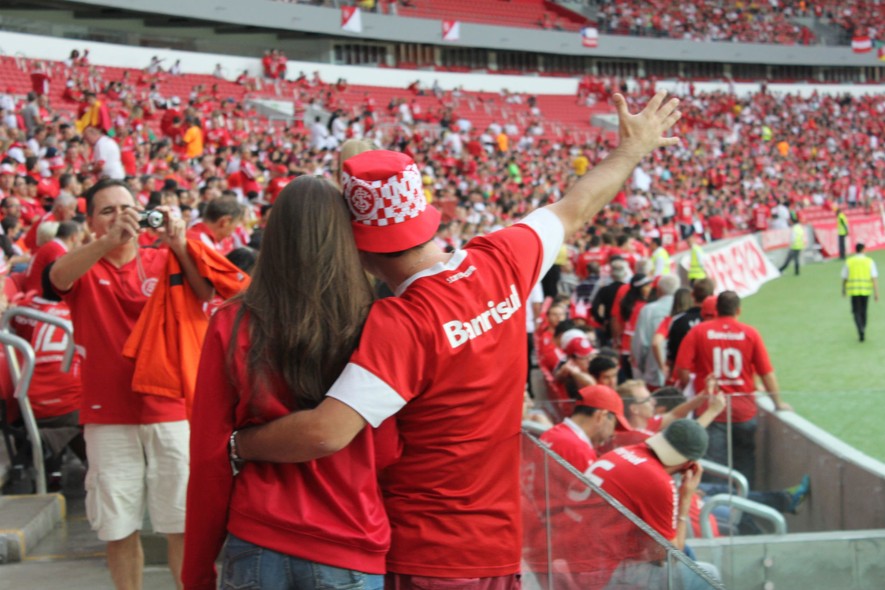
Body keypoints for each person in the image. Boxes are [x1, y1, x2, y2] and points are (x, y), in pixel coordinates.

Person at [235, 91, 682, 587]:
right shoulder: (502, 257)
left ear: (358, 249)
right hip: (500, 547)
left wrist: (239, 443)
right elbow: (577, 207)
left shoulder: (401, 323)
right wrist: (631, 149)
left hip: (428, 556)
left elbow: (325, 432)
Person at [182, 176, 390, 590]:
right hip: (349, 539)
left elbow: (209, 456)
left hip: (257, 537)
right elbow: (388, 450)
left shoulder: (232, 322)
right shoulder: (378, 322)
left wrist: (196, 571)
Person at [48, 178, 214, 590]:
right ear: (90, 223)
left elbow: (205, 290)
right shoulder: (87, 265)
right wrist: (106, 242)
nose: (121, 217)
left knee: (181, 525)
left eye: (128, 208)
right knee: (118, 528)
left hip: (171, 408)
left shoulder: (164, 259)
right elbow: (56, 278)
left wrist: (177, 242)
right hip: (109, 416)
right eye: (108, 211)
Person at [674, 291, 792, 488]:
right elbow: (766, 373)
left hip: (711, 412)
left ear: (717, 309)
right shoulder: (750, 333)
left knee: (714, 469)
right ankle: (745, 514)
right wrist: (778, 403)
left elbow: (682, 369)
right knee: (745, 466)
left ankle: (716, 516)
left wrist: (694, 390)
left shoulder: (699, 332)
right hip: (743, 412)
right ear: (738, 310)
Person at [582, 419, 714, 588]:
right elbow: (671, 556)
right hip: (600, 569)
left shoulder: (622, 452)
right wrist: (686, 497)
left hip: (583, 551)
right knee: (707, 574)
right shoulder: (660, 482)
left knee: (687, 552)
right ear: (688, 465)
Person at [539, 384, 630, 471]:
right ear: (601, 416)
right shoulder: (578, 450)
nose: (613, 433)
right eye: (615, 424)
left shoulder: (551, 433)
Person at [631, 274, 679, 388]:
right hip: (678, 375)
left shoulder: (648, 310)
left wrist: (643, 367)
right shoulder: (685, 310)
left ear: (659, 290)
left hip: (653, 373)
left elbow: (640, 343)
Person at [842, 242, 879, 342]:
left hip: (854, 290)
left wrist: (843, 289)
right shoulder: (869, 261)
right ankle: (863, 326)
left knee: (856, 312)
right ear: (863, 250)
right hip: (866, 290)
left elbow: (845, 277)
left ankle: (860, 329)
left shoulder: (849, 261)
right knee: (864, 311)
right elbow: (874, 277)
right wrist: (876, 292)